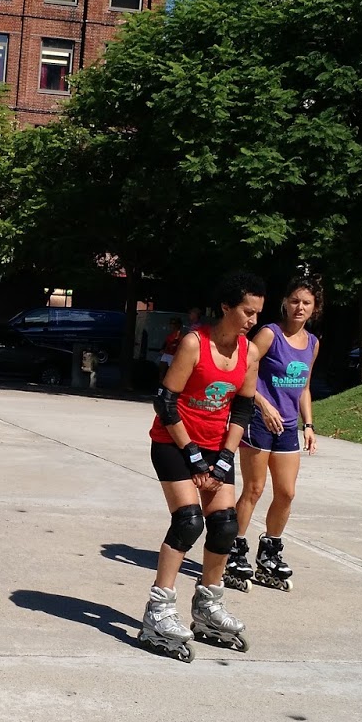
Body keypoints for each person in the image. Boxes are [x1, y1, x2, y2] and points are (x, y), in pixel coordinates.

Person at [137, 272, 266, 663]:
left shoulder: (249, 353)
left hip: (215, 447)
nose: (252, 320)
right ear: (226, 307)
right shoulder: (195, 343)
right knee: (189, 521)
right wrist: (193, 455)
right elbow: (166, 401)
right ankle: (158, 611)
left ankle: (207, 607)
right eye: (247, 311)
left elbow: (242, 408)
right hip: (173, 442)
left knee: (225, 524)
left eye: (257, 313)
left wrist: (226, 455)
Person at [225, 275, 321, 593]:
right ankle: (234, 552)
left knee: (286, 492)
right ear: (285, 302)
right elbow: (243, 370)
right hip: (257, 421)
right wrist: (262, 404)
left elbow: (304, 387)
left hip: (289, 426)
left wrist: (308, 424)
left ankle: (270, 552)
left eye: (306, 303)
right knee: (253, 489)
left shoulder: (312, 343)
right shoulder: (269, 334)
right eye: (295, 301)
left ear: (314, 308)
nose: (299, 307)